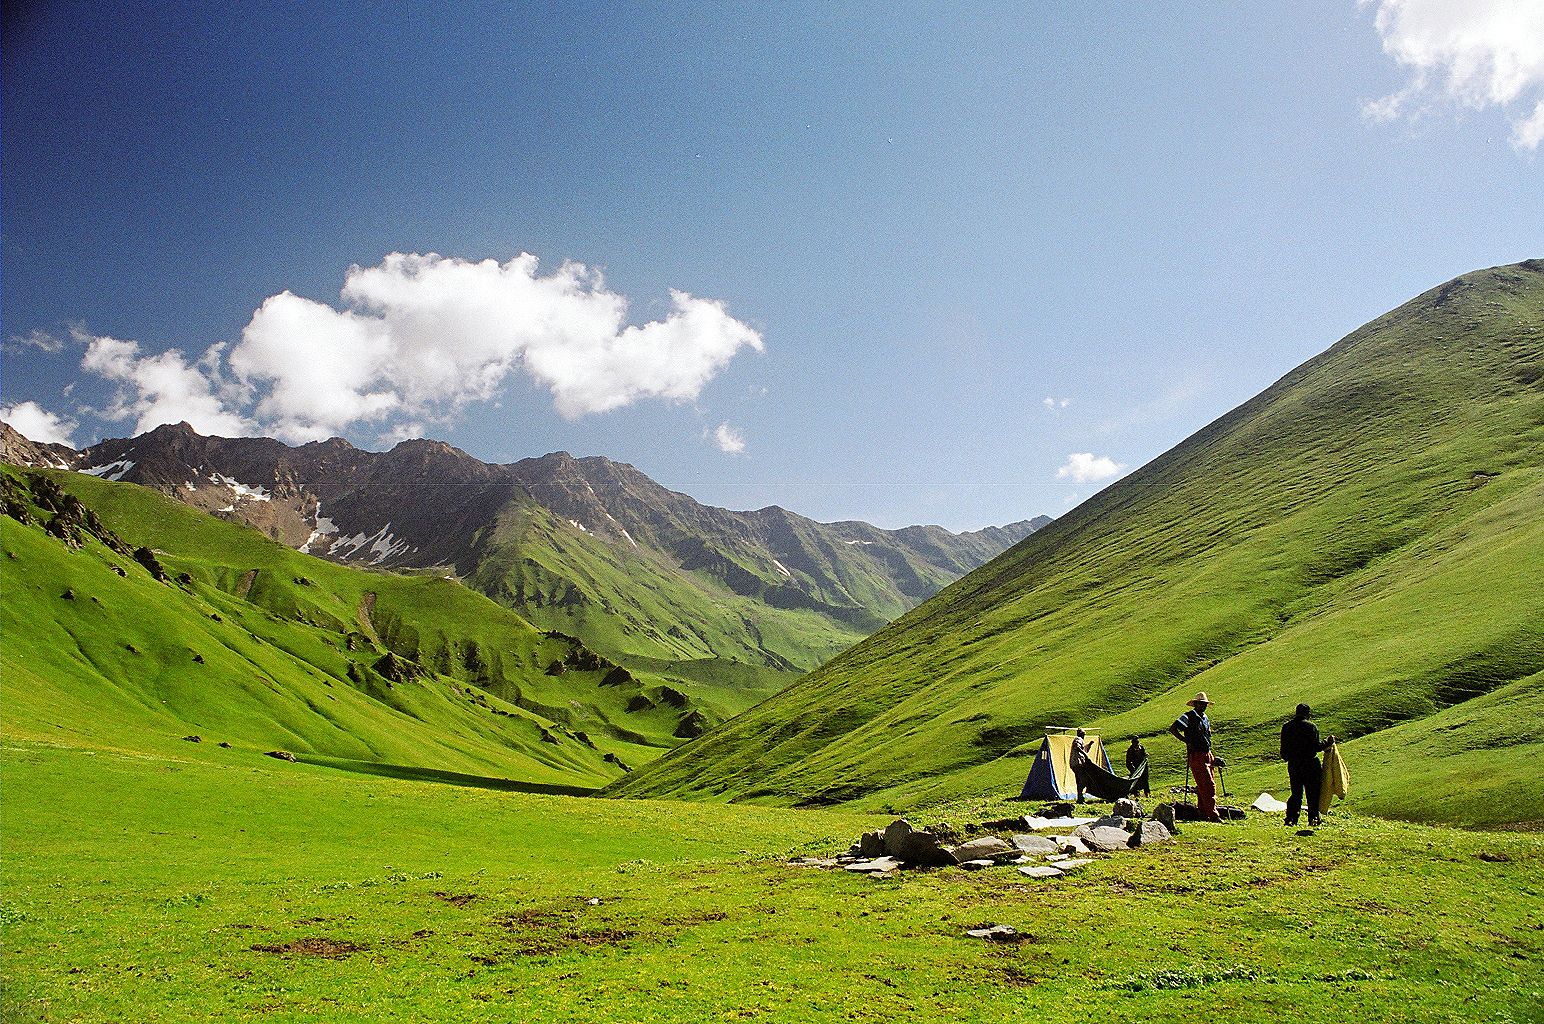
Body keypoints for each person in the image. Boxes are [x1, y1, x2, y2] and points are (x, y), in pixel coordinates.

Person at [1169, 692, 1223, 822]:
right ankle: (1213, 815)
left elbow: (1207, 736)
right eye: (1201, 704)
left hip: (1207, 753)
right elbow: (1173, 728)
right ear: (1195, 704)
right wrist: (1186, 741)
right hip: (1197, 754)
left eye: (1204, 704)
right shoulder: (1188, 716)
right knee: (1208, 785)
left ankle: (1203, 812)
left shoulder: (1205, 717)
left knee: (1204, 785)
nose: (1203, 706)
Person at [1279, 703, 1336, 827]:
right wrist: (1328, 742)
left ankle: (1292, 818)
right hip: (1310, 764)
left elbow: (1283, 752)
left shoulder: (1286, 727)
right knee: (1312, 793)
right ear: (1307, 713)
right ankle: (1313, 818)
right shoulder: (1311, 727)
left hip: (1294, 764)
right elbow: (1316, 747)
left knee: (1296, 793)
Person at [1069, 728, 1094, 802]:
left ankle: (1080, 798)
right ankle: (1080, 795)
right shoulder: (1078, 739)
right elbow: (1078, 747)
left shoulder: (1079, 740)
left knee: (1079, 780)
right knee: (1084, 779)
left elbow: (1082, 749)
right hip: (1078, 763)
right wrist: (1085, 754)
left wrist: (1089, 745)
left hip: (1075, 763)